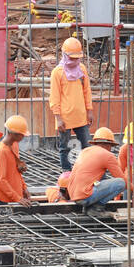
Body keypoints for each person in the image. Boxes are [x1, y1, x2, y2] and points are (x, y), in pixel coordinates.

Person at [49, 36, 94, 171]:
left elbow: (87, 91)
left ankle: (88, 171)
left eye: (77, 57)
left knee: (87, 147)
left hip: (81, 116)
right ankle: (66, 174)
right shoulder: (57, 73)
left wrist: (89, 110)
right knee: (65, 148)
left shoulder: (82, 69)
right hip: (65, 118)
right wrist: (58, 118)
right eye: (72, 57)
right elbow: (54, 97)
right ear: (65, 55)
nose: (75, 60)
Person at [69, 127, 127, 213]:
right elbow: (122, 179)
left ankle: (90, 207)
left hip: (74, 196)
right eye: (111, 146)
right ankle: (96, 208)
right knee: (120, 182)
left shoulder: (85, 151)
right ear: (108, 144)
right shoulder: (107, 155)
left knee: (101, 181)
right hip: (86, 196)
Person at [0, 114, 34, 206]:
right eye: (21, 135)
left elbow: (17, 171)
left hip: (17, 196)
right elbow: (1, 180)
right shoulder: (1, 151)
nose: (23, 137)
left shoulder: (14, 144)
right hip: (7, 200)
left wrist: (24, 187)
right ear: (13, 134)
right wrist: (17, 198)